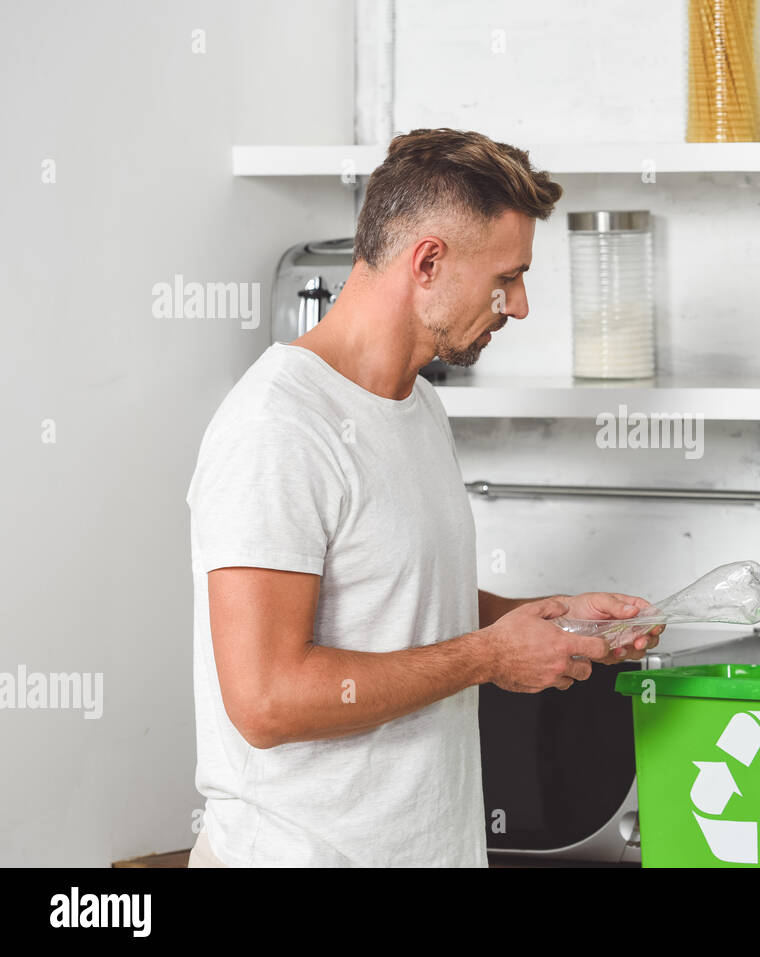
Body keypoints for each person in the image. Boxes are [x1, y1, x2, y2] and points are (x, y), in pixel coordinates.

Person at [185, 128, 661, 867]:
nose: (521, 305)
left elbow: (398, 601)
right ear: (429, 262)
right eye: (508, 277)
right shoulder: (277, 426)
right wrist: (488, 657)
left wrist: (552, 622)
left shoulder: (418, 407)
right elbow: (266, 699)